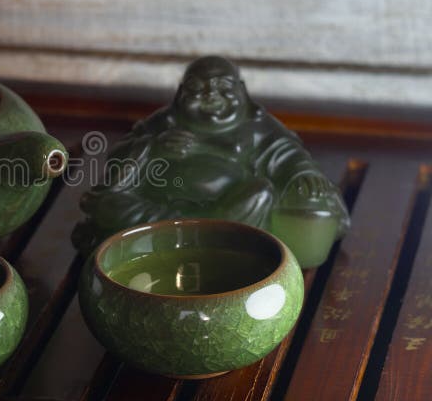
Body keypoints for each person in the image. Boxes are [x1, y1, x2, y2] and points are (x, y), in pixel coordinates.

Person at [73, 56, 350, 266]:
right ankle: (207, 235)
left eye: (223, 88)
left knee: (262, 195)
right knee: (109, 206)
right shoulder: (163, 124)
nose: (210, 96)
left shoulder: (257, 126)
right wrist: (152, 149)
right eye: (197, 89)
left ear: (242, 91)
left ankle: (181, 238)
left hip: (231, 209)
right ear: (180, 93)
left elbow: (288, 154)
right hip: (167, 208)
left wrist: (302, 174)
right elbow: (117, 164)